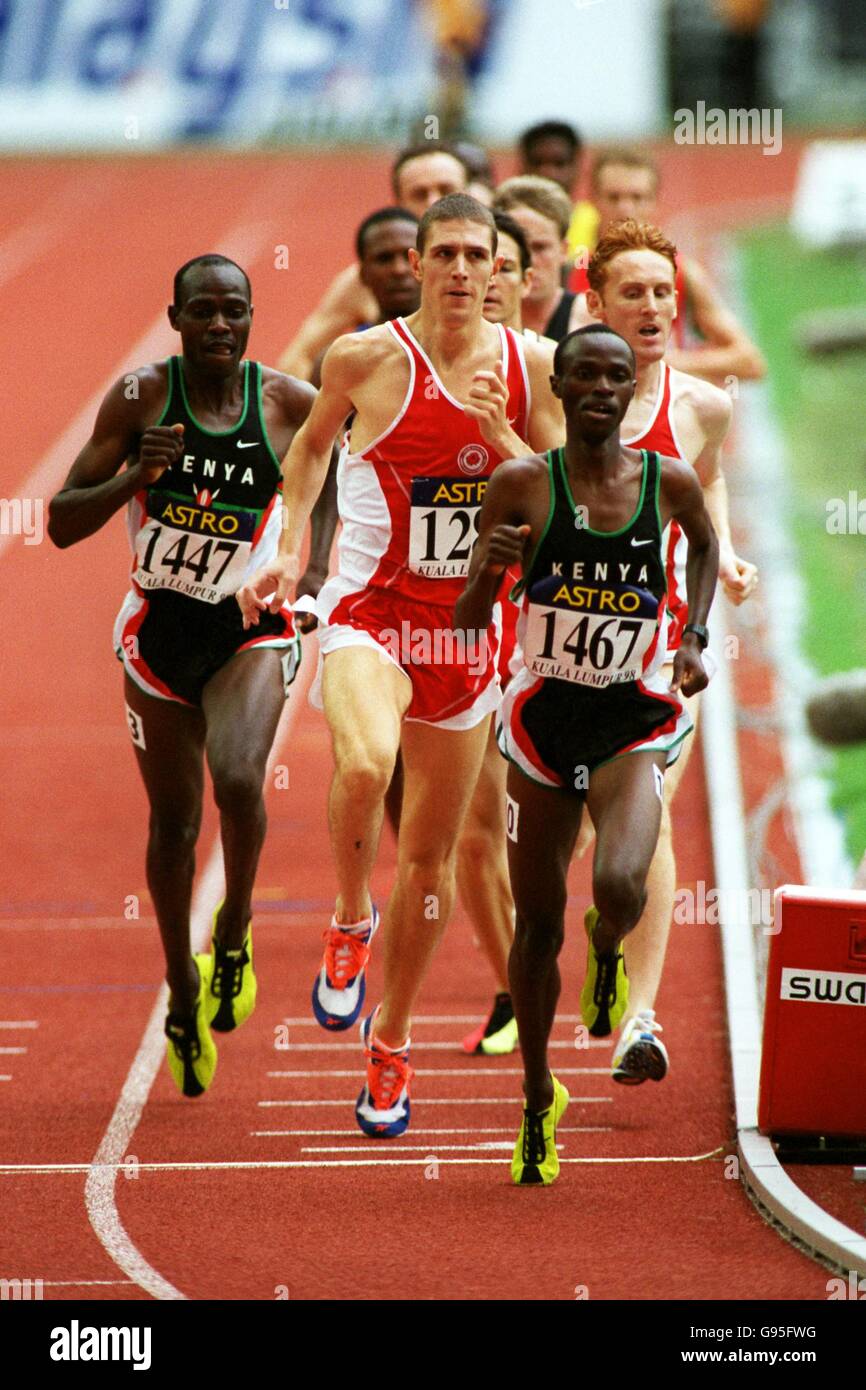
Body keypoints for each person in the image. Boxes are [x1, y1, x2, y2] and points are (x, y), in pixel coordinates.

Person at [238, 194, 563, 1138]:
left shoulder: (530, 367)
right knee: (367, 765)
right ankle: (348, 915)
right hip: (370, 615)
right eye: (447, 254)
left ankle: (394, 1039)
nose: (464, 271)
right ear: (417, 264)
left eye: (481, 257)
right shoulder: (365, 358)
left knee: (430, 860)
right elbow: (303, 457)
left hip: (467, 638)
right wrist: (287, 545)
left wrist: (503, 436)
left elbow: (563, 501)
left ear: (504, 272)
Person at [47, 256, 330, 1099]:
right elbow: (62, 522)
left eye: (232, 312)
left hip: (248, 628)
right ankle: (180, 985)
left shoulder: (287, 405)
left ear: (250, 318)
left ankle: (235, 927)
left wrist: (304, 573)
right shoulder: (140, 399)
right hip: (157, 637)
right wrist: (137, 474)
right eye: (201, 311)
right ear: (174, 318)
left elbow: (337, 487)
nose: (218, 325)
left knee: (240, 777)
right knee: (173, 828)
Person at [454, 323, 719, 1183]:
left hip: (631, 721)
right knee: (536, 925)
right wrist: (488, 573)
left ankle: (607, 954)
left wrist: (693, 636)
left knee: (617, 884)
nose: (603, 388)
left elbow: (706, 547)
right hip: (540, 727)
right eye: (585, 376)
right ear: (560, 389)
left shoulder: (666, 481)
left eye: (618, 375)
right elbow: (465, 621)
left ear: (632, 384)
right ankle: (538, 1098)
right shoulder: (522, 484)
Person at [583, 219, 758, 1083]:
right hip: (556, 645)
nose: (653, 307)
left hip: (662, 647)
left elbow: (710, 476)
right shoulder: (555, 391)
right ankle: (598, 931)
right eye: (633, 292)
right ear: (596, 302)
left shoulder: (702, 405)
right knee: (586, 849)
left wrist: (719, 548)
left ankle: (639, 1019)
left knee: (645, 824)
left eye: (664, 292)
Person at [458, 210, 556, 1055]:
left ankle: (557, 943)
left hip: (542, 634)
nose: (482, 279)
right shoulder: (400, 356)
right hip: (444, 627)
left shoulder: (551, 370)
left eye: (500, 267)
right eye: (469, 263)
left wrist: (501, 440)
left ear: (526, 280)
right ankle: (511, 987)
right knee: (468, 829)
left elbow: (579, 504)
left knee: (549, 826)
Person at [568, 150, 766, 384]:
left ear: (654, 202)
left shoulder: (682, 273)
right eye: (614, 197)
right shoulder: (569, 272)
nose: (625, 209)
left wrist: (660, 362)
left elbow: (749, 361)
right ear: (593, 200)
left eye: (637, 198)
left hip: (660, 409)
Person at [279, 144, 471, 380]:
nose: (433, 202)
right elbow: (296, 360)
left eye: (446, 190)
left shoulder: (504, 257)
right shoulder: (360, 282)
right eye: (419, 194)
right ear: (399, 203)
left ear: (469, 195)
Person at [492, 176, 585, 340]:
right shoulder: (474, 320)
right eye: (520, 248)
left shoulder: (588, 323)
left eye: (540, 247)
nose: (528, 261)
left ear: (564, 250)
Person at [516, 119, 597, 266]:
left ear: (577, 168)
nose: (548, 173)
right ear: (522, 167)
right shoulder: (508, 224)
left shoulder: (596, 222)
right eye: (538, 163)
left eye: (559, 163)